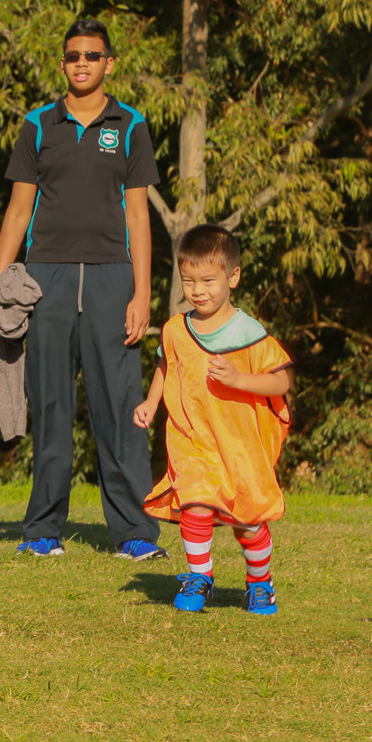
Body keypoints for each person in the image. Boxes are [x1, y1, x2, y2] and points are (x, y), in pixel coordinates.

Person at [0, 17, 167, 560]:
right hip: (47, 277)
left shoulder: (131, 124)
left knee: (120, 409)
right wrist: (1, 284)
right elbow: (19, 208)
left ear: (108, 62)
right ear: (63, 63)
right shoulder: (39, 124)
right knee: (49, 406)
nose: (83, 63)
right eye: (73, 56)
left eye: (93, 55)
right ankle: (42, 529)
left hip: (115, 278)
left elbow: (139, 216)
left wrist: (142, 294)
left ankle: (134, 534)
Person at [133, 225, 292, 614]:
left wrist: (239, 379)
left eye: (208, 280)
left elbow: (282, 380)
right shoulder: (175, 329)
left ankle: (260, 583)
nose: (198, 290)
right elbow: (165, 365)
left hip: (240, 446)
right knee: (196, 504)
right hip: (193, 440)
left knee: (248, 522)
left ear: (232, 277)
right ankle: (199, 576)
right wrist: (152, 402)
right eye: (189, 281)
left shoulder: (249, 333)